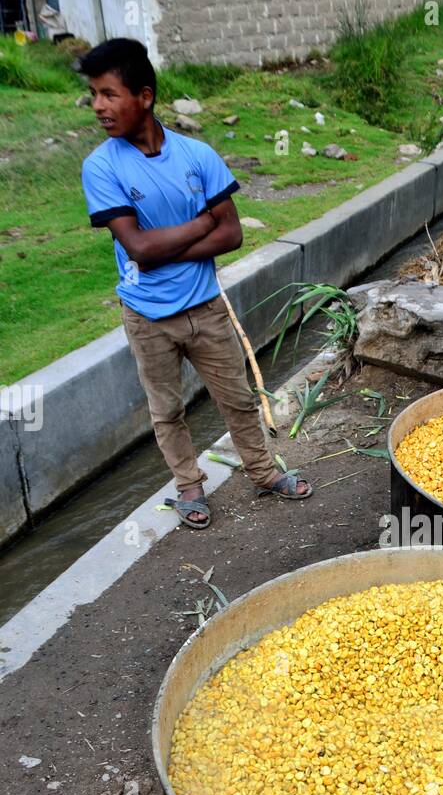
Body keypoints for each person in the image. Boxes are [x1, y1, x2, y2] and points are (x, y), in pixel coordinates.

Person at [79, 37, 311, 528]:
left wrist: (170, 243)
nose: (98, 106)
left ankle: (264, 473)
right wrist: (202, 223)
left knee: (239, 399)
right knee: (166, 410)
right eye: (94, 95)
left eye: (108, 93)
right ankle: (189, 488)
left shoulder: (197, 155)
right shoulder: (101, 166)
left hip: (205, 307)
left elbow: (233, 234)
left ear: (144, 96)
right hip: (146, 316)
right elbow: (138, 249)